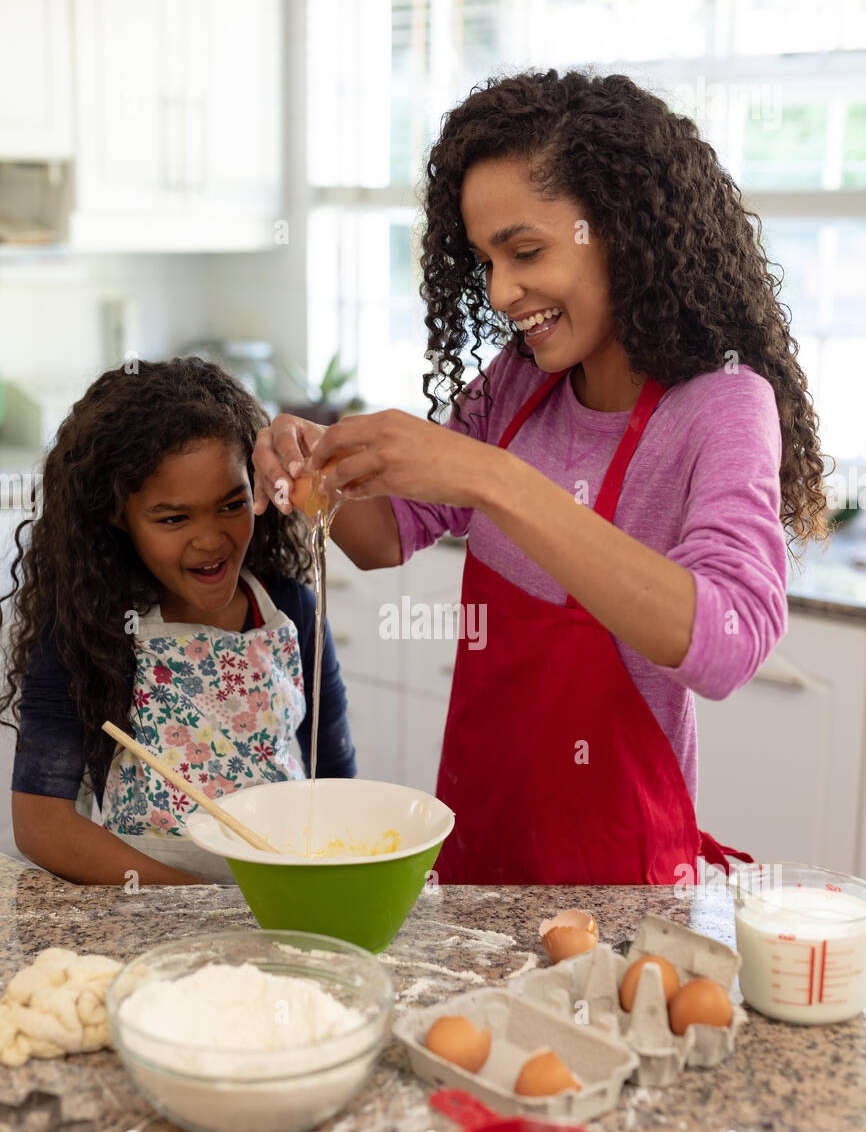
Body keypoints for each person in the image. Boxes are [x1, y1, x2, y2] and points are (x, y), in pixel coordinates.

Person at [251, 69, 829, 886]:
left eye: (525, 252)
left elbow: (727, 642)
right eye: (485, 259)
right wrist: (312, 469)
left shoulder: (722, 406)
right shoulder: (521, 384)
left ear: (621, 232)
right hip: (479, 850)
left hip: (619, 881)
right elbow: (384, 538)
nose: (500, 291)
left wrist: (491, 478)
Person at [2, 357, 355, 885]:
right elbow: (43, 825)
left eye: (232, 505)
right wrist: (197, 902)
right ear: (118, 514)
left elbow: (338, 788)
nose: (210, 539)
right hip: (148, 917)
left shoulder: (293, 612)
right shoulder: (87, 625)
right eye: (173, 518)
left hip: (284, 904)